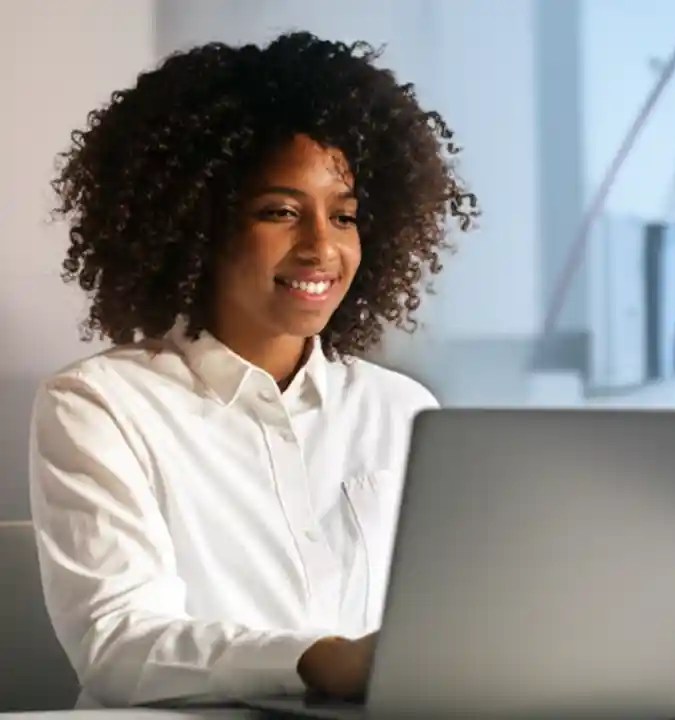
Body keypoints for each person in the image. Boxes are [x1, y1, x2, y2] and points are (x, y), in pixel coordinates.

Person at [29, 31, 478, 708]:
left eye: (345, 216)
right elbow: (119, 644)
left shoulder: (402, 409)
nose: (322, 246)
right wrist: (322, 662)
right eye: (280, 212)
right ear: (197, 225)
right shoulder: (100, 405)